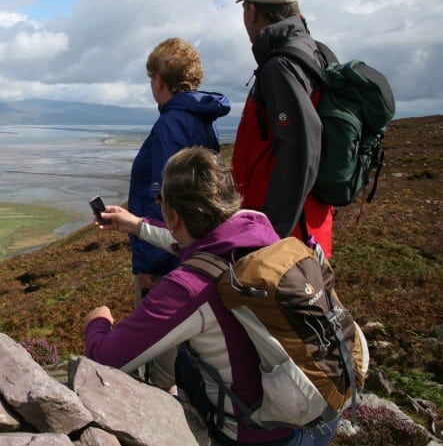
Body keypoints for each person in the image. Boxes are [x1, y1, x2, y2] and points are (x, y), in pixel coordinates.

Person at [86, 147, 339, 446]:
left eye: (161, 202)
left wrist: (98, 321)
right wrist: (138, 226)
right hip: (326, 410)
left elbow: (104, 358)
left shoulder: (189, 287)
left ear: (175, 215)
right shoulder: (263, 234)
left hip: (259, 436)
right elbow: (199, 247)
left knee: (179, 359)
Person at [126, 38, 230, 392]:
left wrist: (151, 265)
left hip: (168, 257)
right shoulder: (202, 120)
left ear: (159, 80)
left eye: (151, 76)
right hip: (196, 249)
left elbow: (163, 198)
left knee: (162, 357)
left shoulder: (170, 125)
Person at [233, 0, 334, 258]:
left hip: (286, 240)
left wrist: (269, 239)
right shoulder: (315, 52)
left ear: (251, 11)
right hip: (308, 225)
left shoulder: (281, 66)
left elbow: (300, 152)